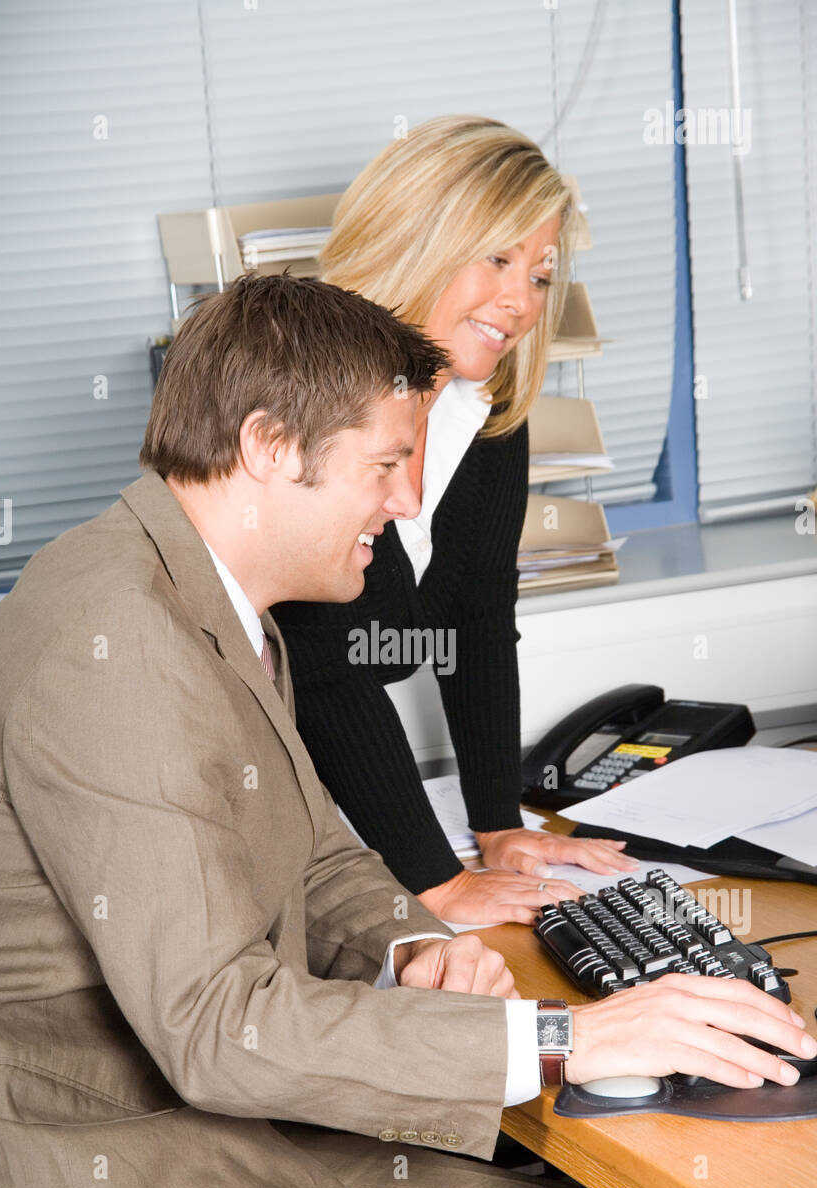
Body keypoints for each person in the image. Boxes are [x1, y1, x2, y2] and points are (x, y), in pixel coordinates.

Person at [0, 275, 814, 1188]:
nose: (407, 501)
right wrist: (567, 1036)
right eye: (384, 463)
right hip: (92, 1144)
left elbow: (312, 847)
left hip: (194, 1109)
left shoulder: (205, 594)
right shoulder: (115, 646)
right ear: (270, 447)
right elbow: (212, 1028)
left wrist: (413, 946)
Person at [272, 115, 635, 928]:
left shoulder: (486, 410)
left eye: (540, 274)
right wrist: (438, 883)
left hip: (327, 817)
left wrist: (498, 824)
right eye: (497, 258)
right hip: (231, 803)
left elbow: (476, 621)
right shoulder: (311, 407)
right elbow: (322, 665)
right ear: (416, 239)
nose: (521, 300)